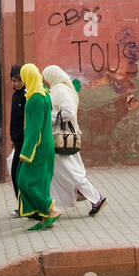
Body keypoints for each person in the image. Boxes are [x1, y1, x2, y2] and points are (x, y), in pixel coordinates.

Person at [42, 65, 106, 216]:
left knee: (72, 172)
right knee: (66, 171)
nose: (44, 81)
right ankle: (79, 196)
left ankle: (95, 198)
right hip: (62, 138)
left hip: (62, 138)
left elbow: (69, 113)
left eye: (45, 77)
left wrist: (47, 116)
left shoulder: (60, 90)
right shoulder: (61, 89)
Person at [15, 63, 61, 231]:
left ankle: (51, 209)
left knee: (24, 181)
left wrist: (27, 151)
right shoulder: (44, 94)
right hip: (43, 145)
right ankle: (44, 217)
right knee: (39, 182)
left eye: (24, 77)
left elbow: (35, 128)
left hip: (38, 147)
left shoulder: (36, 99)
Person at [8, 65, 26, 215]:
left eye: (17, 81)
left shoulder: (27, 96)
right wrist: (13, 138)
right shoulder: (15, 96)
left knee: (18, 175)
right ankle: (22, 206)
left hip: (25, 144)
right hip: (18, 143)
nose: (15, 84)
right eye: (13, 80)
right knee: (15, 175)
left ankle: (25, 207)